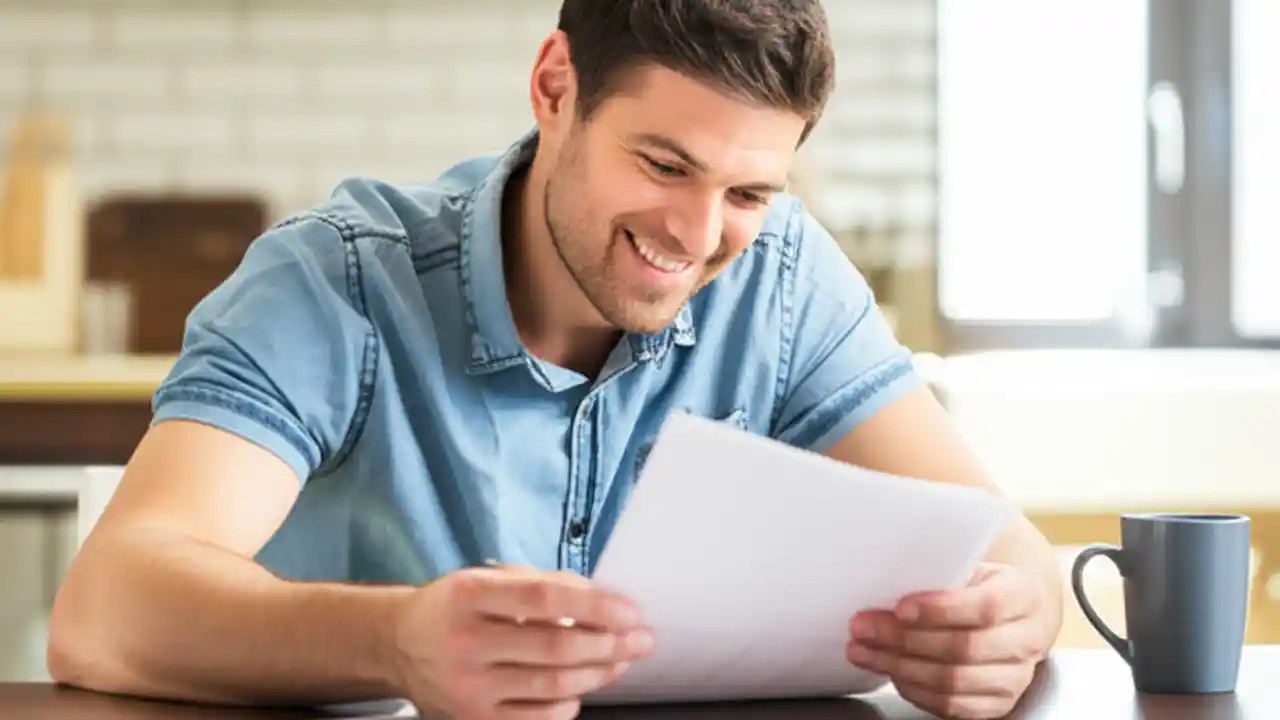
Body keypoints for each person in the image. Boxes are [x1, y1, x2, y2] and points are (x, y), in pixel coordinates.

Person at [48, 2, 1063, 718]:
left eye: (748, 194)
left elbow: (1007, 556)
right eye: (662, 165)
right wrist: (397, 642)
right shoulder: (338, 283)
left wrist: (1002, 625)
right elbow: (104, 611)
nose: (698, 235)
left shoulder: (786, 283)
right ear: (553, 88)